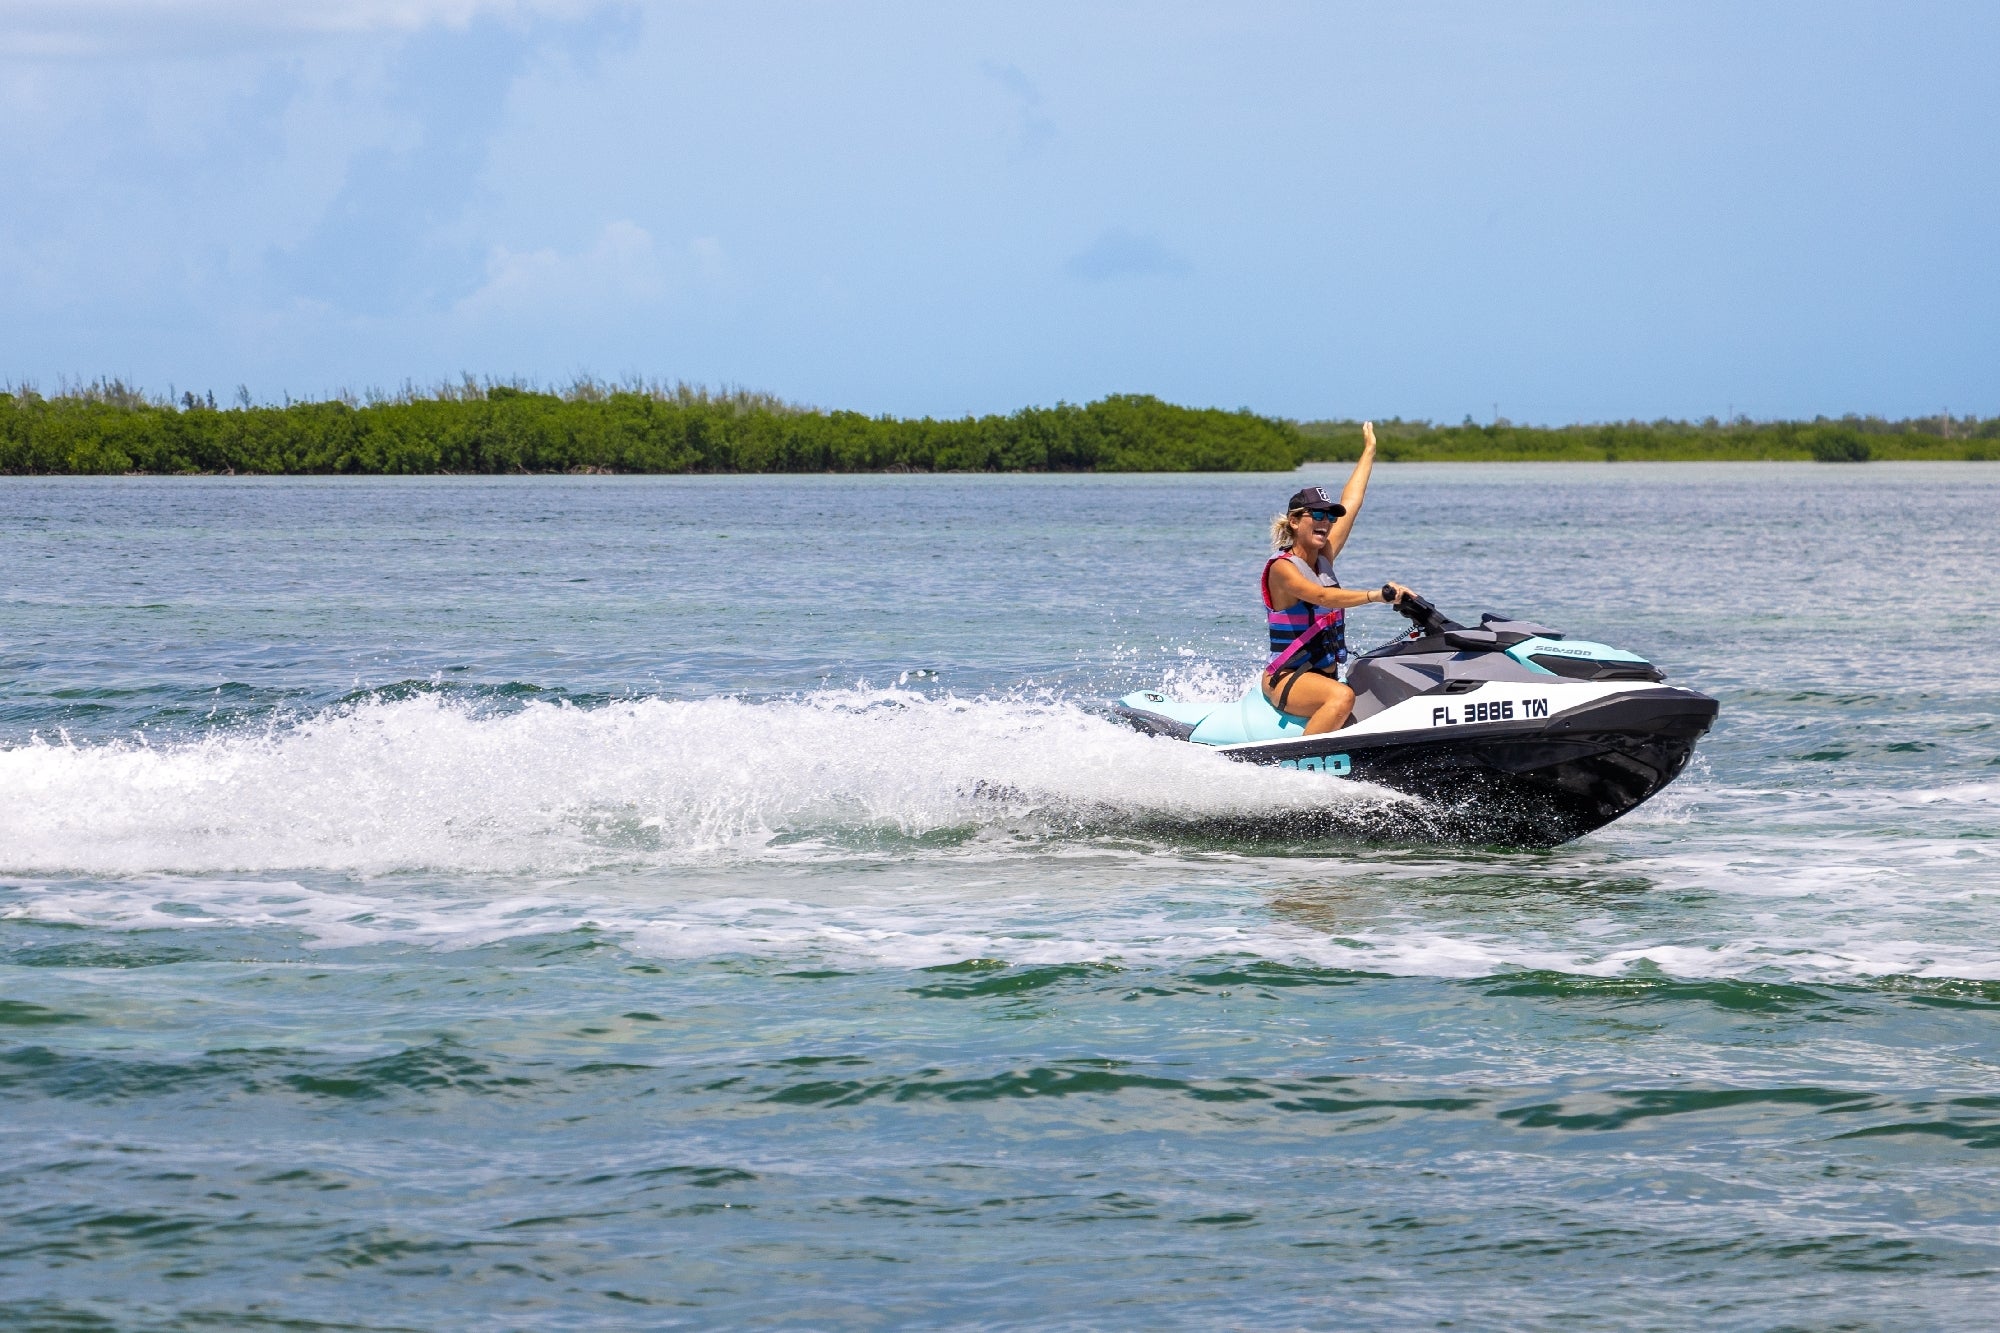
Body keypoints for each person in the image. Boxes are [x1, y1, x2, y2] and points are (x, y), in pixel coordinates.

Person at [1262, 421, 1414, 734]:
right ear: (1294, 521)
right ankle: (1300, 769)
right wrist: (1376, 595)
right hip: (1288, 677)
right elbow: (1322, 597)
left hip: (1321, 675)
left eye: (1329, 517)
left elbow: (1353, 501)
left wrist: (1369, 451)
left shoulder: (1323, 557)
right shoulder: (1282, 569)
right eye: (1316, 515)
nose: (1326, 522)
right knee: (1343, 696)